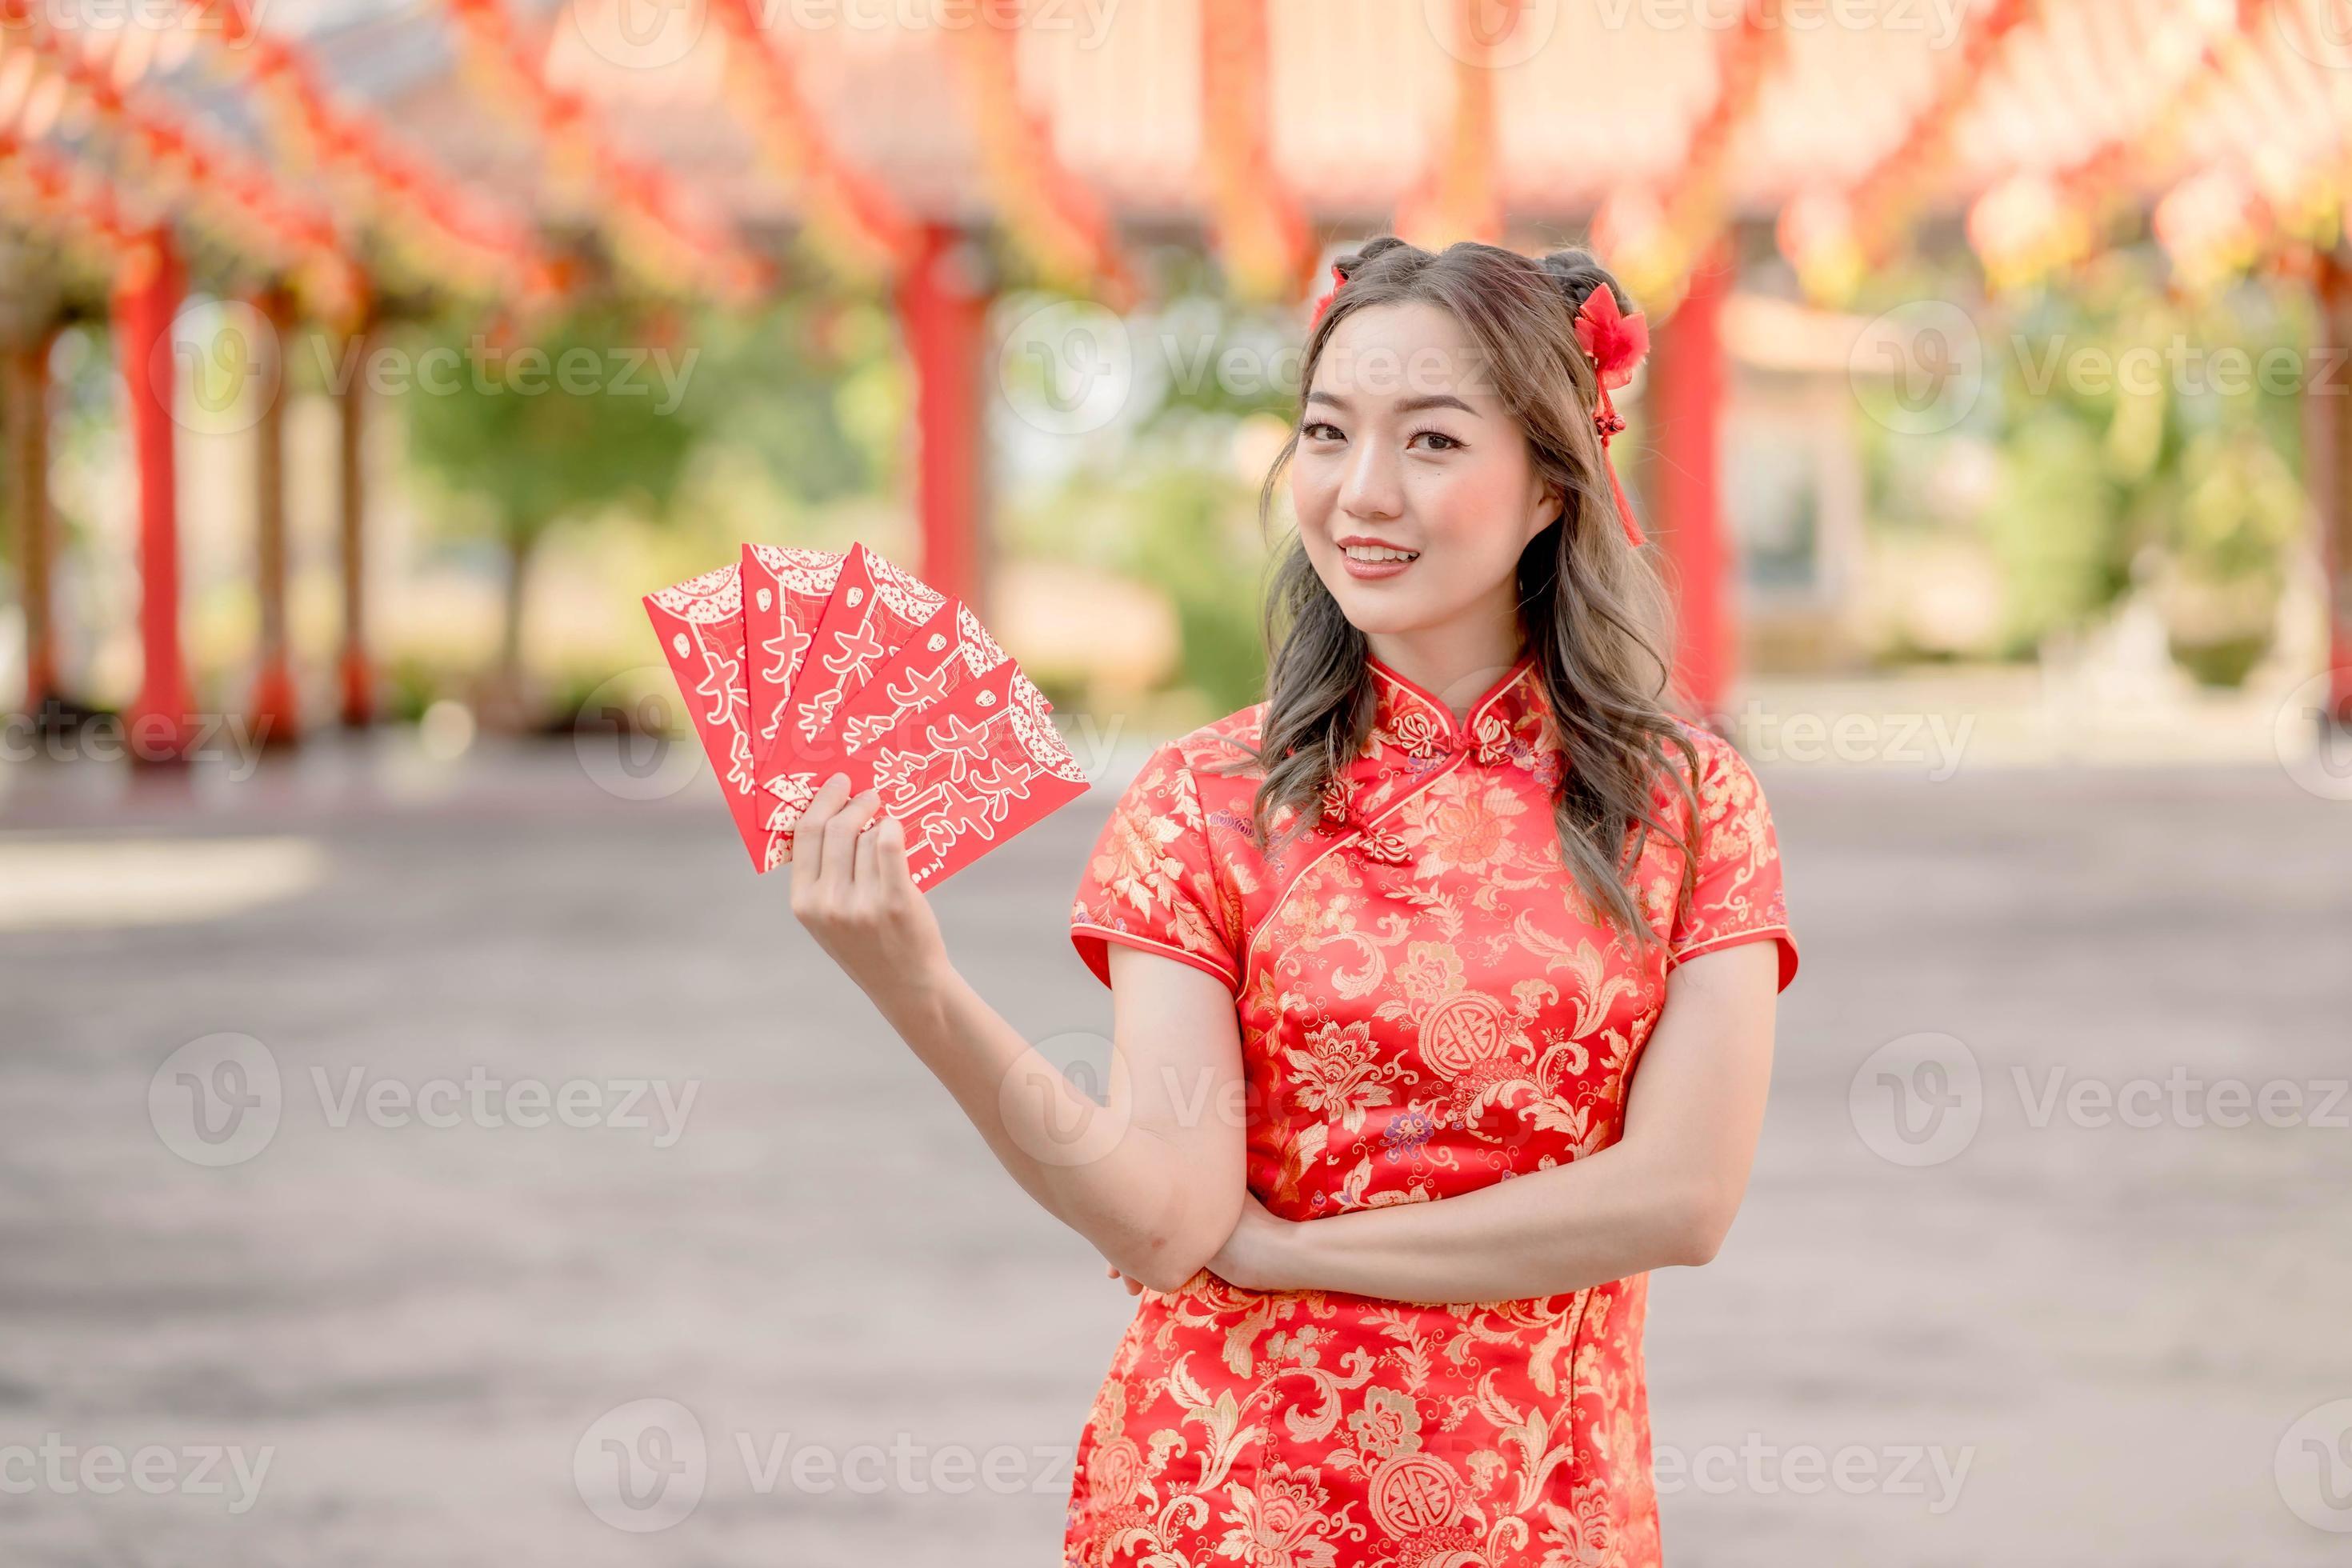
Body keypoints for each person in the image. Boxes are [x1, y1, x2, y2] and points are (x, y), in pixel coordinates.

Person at [787, 235, 1798, 1568]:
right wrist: (917, 986)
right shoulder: (1207, 799)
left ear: (1554, 484)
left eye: (1432, 442)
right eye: (1327, 434)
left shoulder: (1688, 803)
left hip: (1548, 1518)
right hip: (1226, 1503)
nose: (1361, 492)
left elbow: (1682, 1198)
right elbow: (1161, 1219)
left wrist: (1286, 1255)